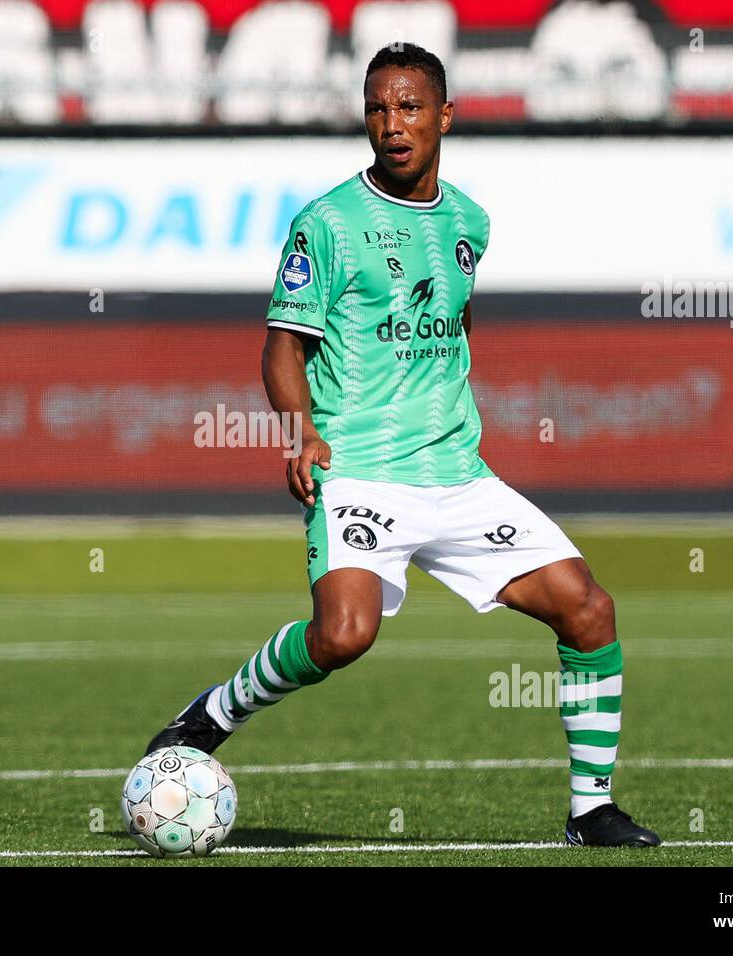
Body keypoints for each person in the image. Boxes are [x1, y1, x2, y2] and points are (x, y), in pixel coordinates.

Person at [144, 42, 659, 848]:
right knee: (342, 636)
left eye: (410, 107)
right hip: (360, 471)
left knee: (589, 609)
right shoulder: (329, 223)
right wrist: (300, 431)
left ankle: (591, 810)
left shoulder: (469, 222)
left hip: (456, 472)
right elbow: (282, 346)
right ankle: (215, 713)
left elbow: (449, 328)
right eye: (379, 109)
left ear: (445, 116)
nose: (394, 125)